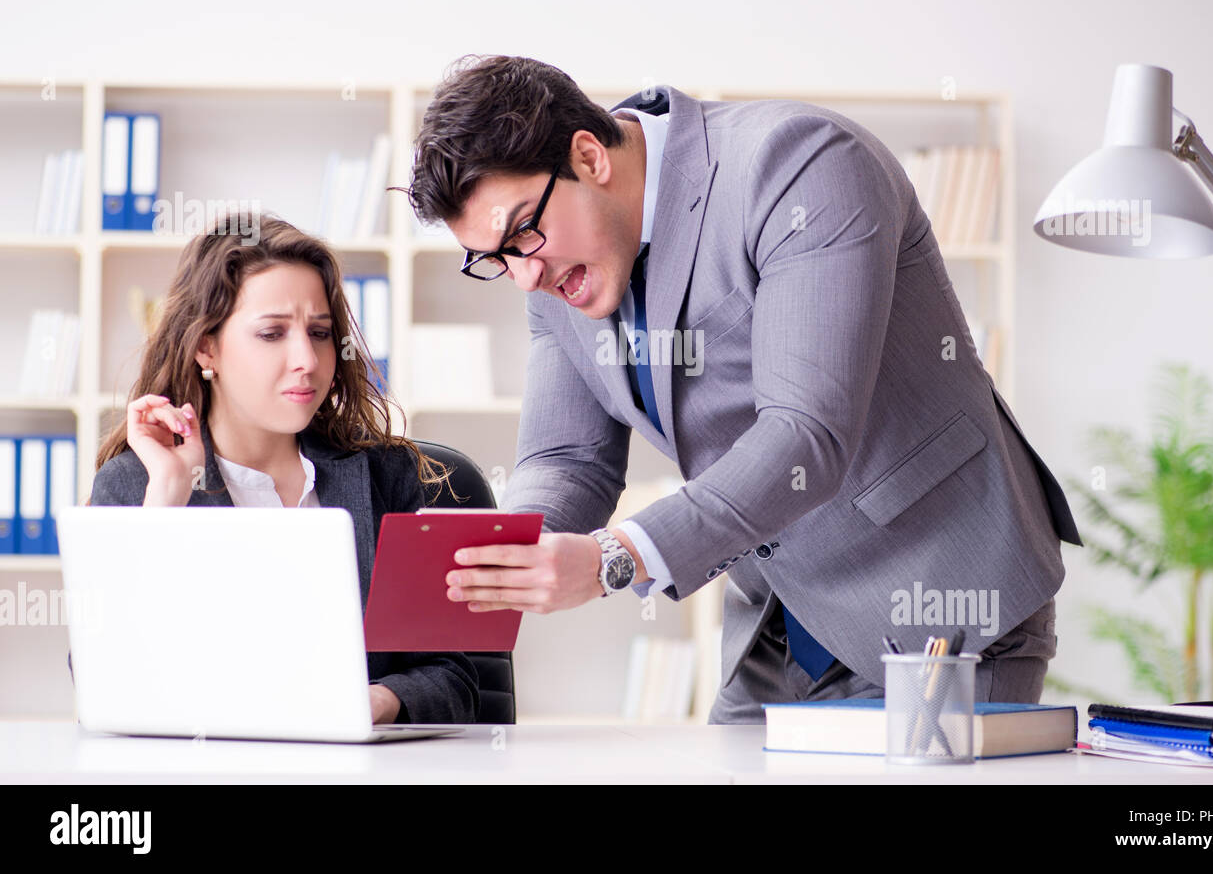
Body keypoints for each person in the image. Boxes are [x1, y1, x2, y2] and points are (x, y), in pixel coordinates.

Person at [404, 55, 1082, 724]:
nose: (523, 276)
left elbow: (806, 434)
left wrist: (616, 557)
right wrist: (512, 550)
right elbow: (567, 459)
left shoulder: (801, 165)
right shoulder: (552, 268)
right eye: (493, 260)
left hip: (936, 592)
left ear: (589, 156)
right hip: (775, 618)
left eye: (522, 232)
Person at [88, 214, 481, 724]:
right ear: (207, 347)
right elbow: (109, 682)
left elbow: (454, 677)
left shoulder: (387, 475)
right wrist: (168, 494)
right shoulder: (135, 486)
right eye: (272, 333)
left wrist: (380, 701)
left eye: (320, 334)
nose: (308, 360)